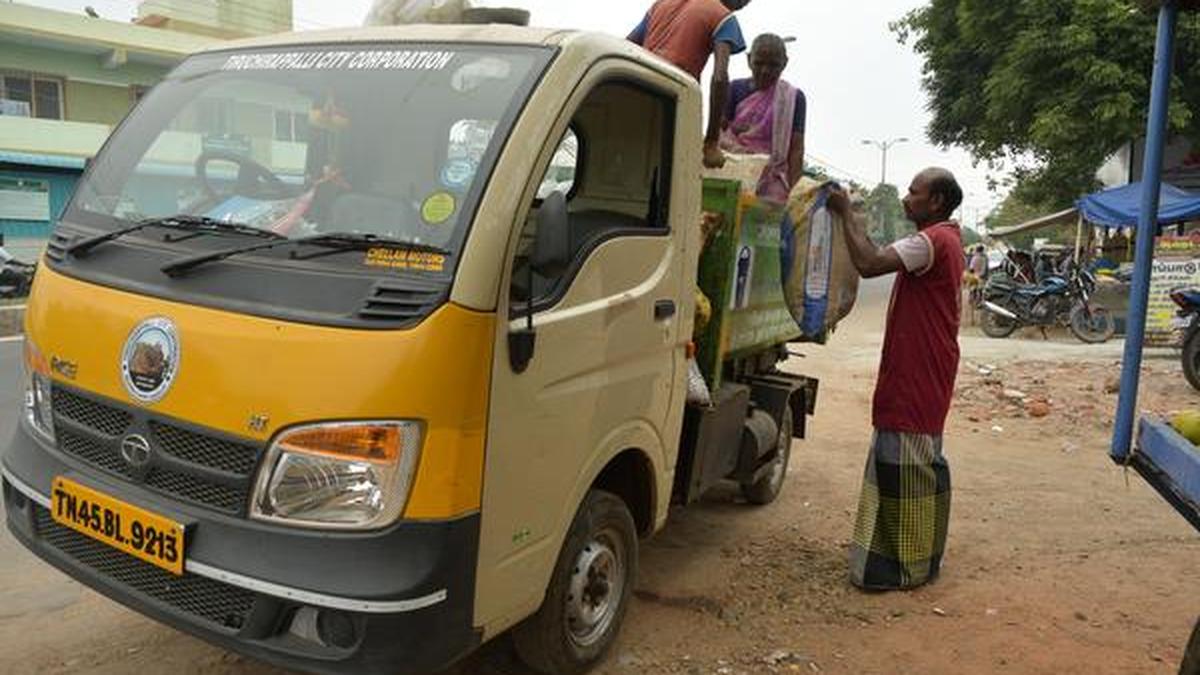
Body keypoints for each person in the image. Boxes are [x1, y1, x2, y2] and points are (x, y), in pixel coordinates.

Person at [825, 168, 965, 591]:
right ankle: (909, 558)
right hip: (925, 366)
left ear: (936, 201)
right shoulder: (948, 240)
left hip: (916, 370)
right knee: (911, 463)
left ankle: (904, 566)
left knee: (903, 463)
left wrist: (847, 212)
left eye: (913, 192)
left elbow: (868, 264)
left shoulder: (931, 240)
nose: (906, 198)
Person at [628, 0, 750, 169]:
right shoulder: (723, 17)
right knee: (671, 172)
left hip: (636, 92)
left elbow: (628, 45)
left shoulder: (662, 4)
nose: (744, 4)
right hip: (674, 101)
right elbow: (720, 78)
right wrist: (712, 142)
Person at [719, 33, 805, 203]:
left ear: (784, 64)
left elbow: (796, 149)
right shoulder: (734, 89)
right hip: (734, 171)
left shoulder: (793, 97)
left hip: (773, 180)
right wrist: (741, 152)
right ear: (749, 59)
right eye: (759, 63)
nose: (765, 71)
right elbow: (718, 133)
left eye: (773, 65)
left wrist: (795, 196)